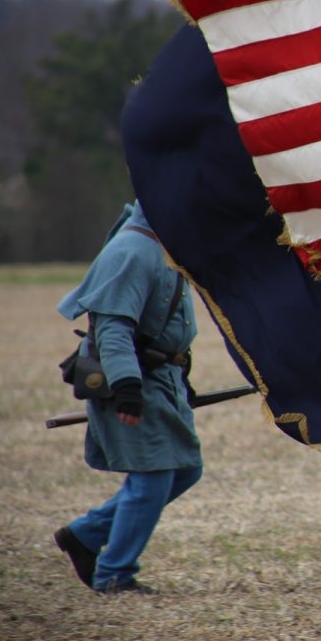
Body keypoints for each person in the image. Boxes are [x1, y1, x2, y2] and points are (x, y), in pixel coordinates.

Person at [53, 201, 201, 595]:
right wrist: (127, 389)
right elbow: (114, 329)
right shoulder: (133, 250)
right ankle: (114, 574)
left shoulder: (161, 246)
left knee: (186, 469)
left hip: (161, 378)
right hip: (135, 379)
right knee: (153, 476)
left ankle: (86, 534)